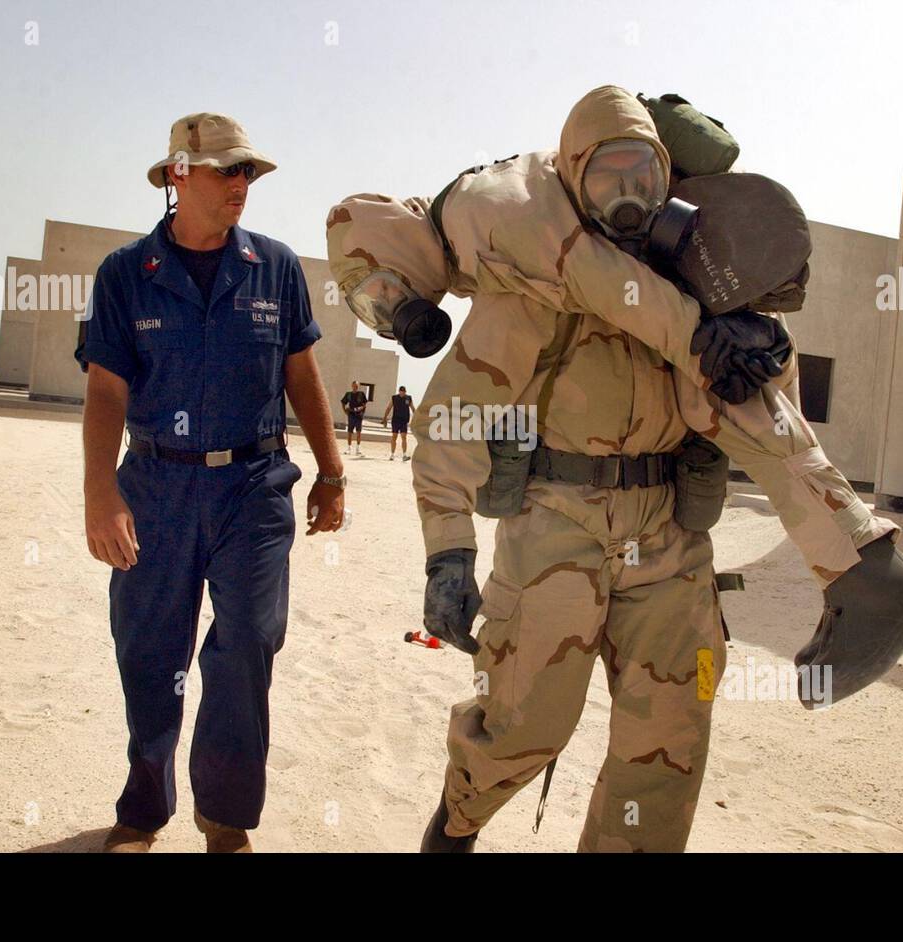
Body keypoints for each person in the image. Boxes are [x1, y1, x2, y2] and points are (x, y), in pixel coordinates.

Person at [328, 86, 903, 712]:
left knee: (718, 388)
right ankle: (866, 569)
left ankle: (867, 573)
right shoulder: (493, 226)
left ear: (395, 242)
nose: (393, 313)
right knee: (721, 397)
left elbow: (597, 277)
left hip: (659, 482)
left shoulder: (483, 216)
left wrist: (708, 342)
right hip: (651, 300)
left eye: (383, 290)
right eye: (372, 307)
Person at [331, 88, 730, 852]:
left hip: (670, 530)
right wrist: (448, 554)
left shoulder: (700, 272)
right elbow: (452, 417)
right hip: (556, 520)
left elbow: (756, 398)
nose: (626, 196)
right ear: (575, 174)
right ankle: (455, 827)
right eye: (605, 177)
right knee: (523, 720)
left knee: (672, 737)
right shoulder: (535, 276)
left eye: (639, 176)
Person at [76, 112, 346, 854]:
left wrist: (332, 471)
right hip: (156, 486)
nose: (242, 184)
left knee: (249, 644)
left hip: (253, 486)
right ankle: (144, 806)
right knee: (149, 650)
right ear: (180, 175)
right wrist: (102, 493)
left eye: (248, 172)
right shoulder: (126, 274)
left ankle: (225, 817)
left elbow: (301, 371)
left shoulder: (277, 267)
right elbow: (105, 391)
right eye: (228, 170)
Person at [382, 385, 415, 460]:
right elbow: (389, 408)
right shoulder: (394, 398)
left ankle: (404, 455)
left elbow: (413, 408)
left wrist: (415, 417)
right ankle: (392, 455)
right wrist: (385, 418)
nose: (402, 393)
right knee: (394, 436)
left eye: (404, 391)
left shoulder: (408, 398)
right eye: (401, 391)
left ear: (405, 392)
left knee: (404, 437)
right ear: (399, 391)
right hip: (395, 420)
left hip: (404, 421)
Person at [341, 381, 368, 456]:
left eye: (356, 386)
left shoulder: (361, 394)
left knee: (358, 432)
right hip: (351, 415)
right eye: (354, 386)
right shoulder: (348, 394)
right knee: (350, 432)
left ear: (358, 386)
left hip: (359, 415)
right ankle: (349, 448)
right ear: (351, 386)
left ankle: (358, 449)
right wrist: (345, 411)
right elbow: (343, 402)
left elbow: (365, 404)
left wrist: (361, 408)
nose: (355, 387)